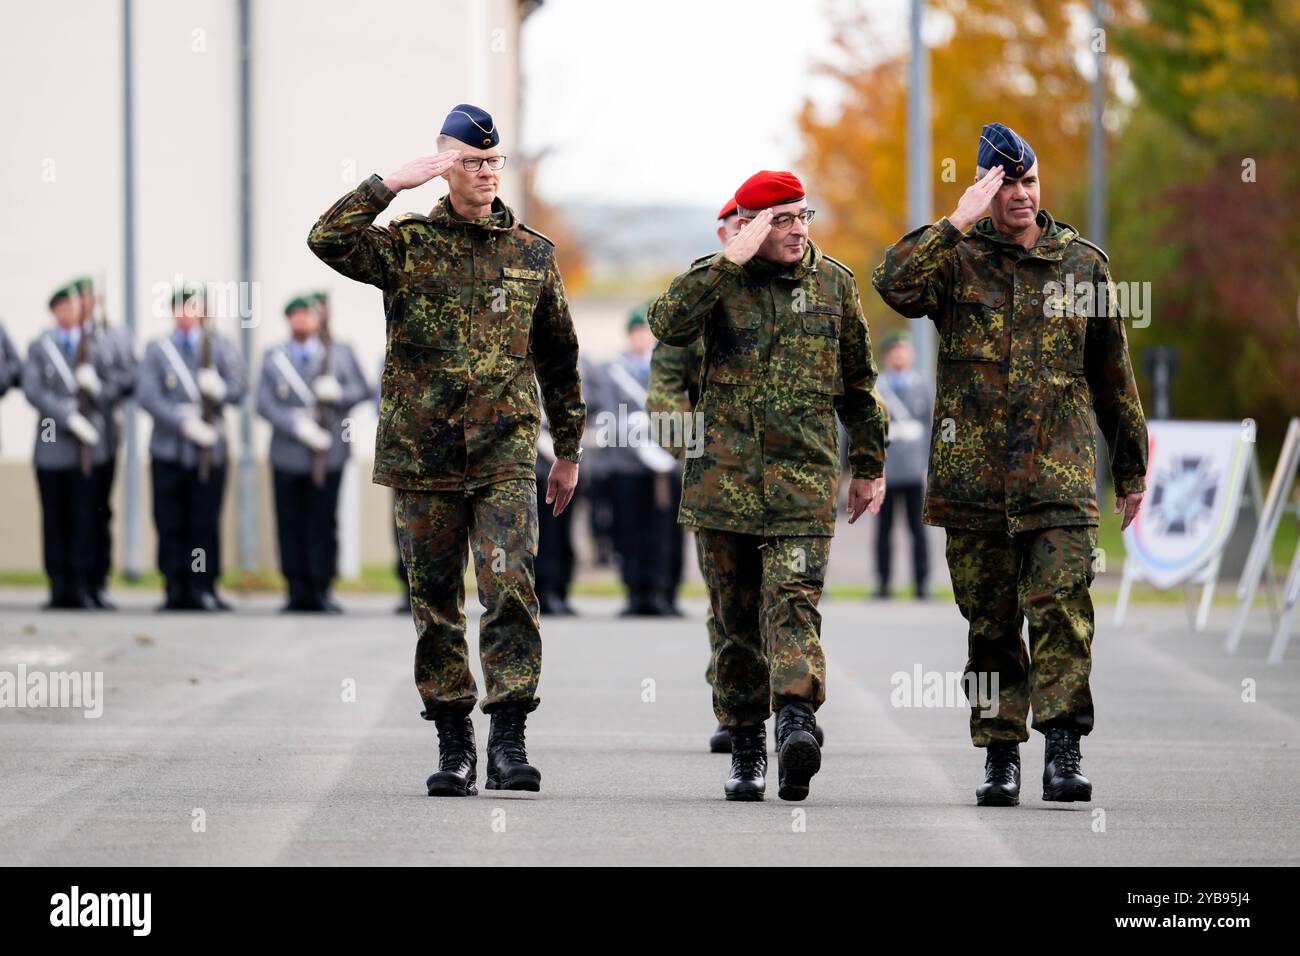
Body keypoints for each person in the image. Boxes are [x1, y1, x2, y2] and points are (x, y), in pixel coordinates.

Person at [307, 103, 585, 797]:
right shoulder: (405, 244)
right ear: (445, 165)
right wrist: (387, 185)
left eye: (493, 162)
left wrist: (570, 448)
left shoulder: (531, 253)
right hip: (423, 454)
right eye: (472, 161)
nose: (486, 173)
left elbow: (559, 357)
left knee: (509, 589)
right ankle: (454, 740)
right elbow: (326, 239)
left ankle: (510, 738)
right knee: (433, 600)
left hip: (505, 454)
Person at [872, 122, 1148, 806]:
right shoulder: (957, 259)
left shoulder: (1081, 264)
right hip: (975, 489)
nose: (1021, 195)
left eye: (1028, 181)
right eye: (1005, 183)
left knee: (1063, 611)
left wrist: (1132, 467)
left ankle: (1063, 751)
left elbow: (1112, 374)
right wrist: (954, 220)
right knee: (990, 626)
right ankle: (1000, 756)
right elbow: (891, 284)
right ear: (984, 188)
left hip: (1058, 479)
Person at [650, 170, 887, 801]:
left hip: (803, 486)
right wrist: (726, 262)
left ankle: (797, 725)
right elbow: (666, 324)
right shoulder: (716, 283)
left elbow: (859, 385)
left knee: (793, 605)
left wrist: (868, 465)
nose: (796, 230)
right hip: (722, 487)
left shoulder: (834, 284)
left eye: (802, 216)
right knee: (735, 625)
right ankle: (747, 748)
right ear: (753, 225)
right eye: (780, 220)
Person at [136, 283, 248, 611]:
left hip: (209, 452)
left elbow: (240, 386)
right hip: (169, 450)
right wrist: (182, 420)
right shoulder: (158, 349)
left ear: (203, 311)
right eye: (179, 308)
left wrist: (221, 389)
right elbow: (148, 394)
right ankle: (175, 586)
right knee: (169, 520)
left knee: (204, 521)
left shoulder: (221, 347)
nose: (185, 314)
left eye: (192, 307)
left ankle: (203, 585)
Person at [256, 293, 370, 612]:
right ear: (289, 320)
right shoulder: (274, 356)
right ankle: (296, 589)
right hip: (288, 453)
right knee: (289, 521)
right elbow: (263, 403)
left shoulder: (340, 352)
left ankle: (322, 587)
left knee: (323, 521)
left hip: (329, 454)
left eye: (307, 315)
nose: (302, 321)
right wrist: (294, 425)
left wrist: (338, 393)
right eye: (296, 316)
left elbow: (363, 389)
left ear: (318, 318)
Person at [21, 283, 115, 609]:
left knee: (86, 517)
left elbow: (120, 384)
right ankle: (59, 586)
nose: (68, 312)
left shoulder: (98, 345)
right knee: (55, 518)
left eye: (73, 306)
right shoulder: (40, 346)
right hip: (53, 444)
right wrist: (66, 414)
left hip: (89, 447)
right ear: (54, 312)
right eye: (61, 307)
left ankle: (85, 585)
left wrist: (97, 387)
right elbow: (32, 388)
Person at [593, 304, 680, 616]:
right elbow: (603, 409)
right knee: (628, 530)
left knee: (663, 532)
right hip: (625, 461)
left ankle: (661, 592)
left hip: (663, 464)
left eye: (645, 332)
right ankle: (634, 593)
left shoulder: (669, 367)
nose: (640, 338)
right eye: (636, 333)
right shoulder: (612, 370)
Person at [72, 275, 137, 610]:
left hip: (105, 436)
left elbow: (128, 377)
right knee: (74, 513)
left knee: (100, 510)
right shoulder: (65, 339)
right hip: (70, 439)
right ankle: (73, 584)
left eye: (88, 298)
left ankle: (98, 581)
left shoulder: (113, 336)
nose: (83, 305)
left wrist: (99, 390)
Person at [873, 332, 932, 599]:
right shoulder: (878, 387)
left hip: (913, 467)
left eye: (903, 350)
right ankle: (883, 583)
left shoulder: (923, 386)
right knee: (883, 531)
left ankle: (922, 584)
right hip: (885, 468)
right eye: (894, 350)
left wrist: (930, 466)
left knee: (917, 530)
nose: (899, 356)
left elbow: (931, 425)